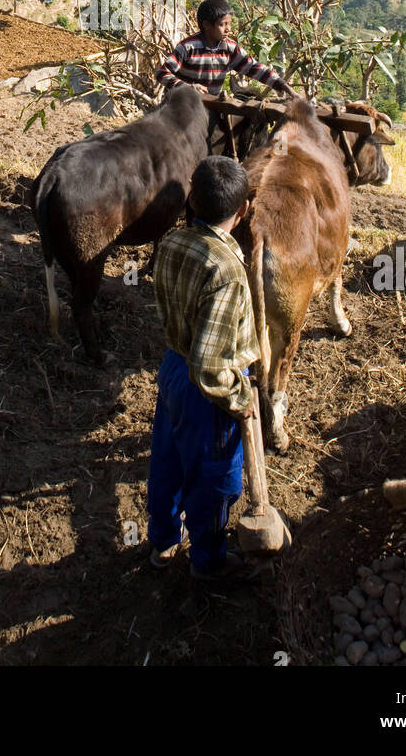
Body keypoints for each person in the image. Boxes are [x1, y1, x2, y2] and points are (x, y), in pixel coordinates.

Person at [146, 155, 260, 583]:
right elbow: (210, 366)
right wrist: (240, 399)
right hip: (206, 389)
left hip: (173, 367)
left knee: (168, 463)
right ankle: (208, 563)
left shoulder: (171, 243)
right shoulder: (228, 271)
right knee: (214, 480)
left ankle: (162, 542)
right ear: (243, 210)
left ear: (191, 201)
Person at [155, 0, 289, 97]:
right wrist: (188, 87)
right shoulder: (188, 47)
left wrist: (283, 86)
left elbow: (254, 68)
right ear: (207, 25)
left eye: (229, 24)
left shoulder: (229, 48)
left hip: (212, 106)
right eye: (222, 24)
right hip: (182, 105)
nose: (228, 29)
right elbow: (162, 73)